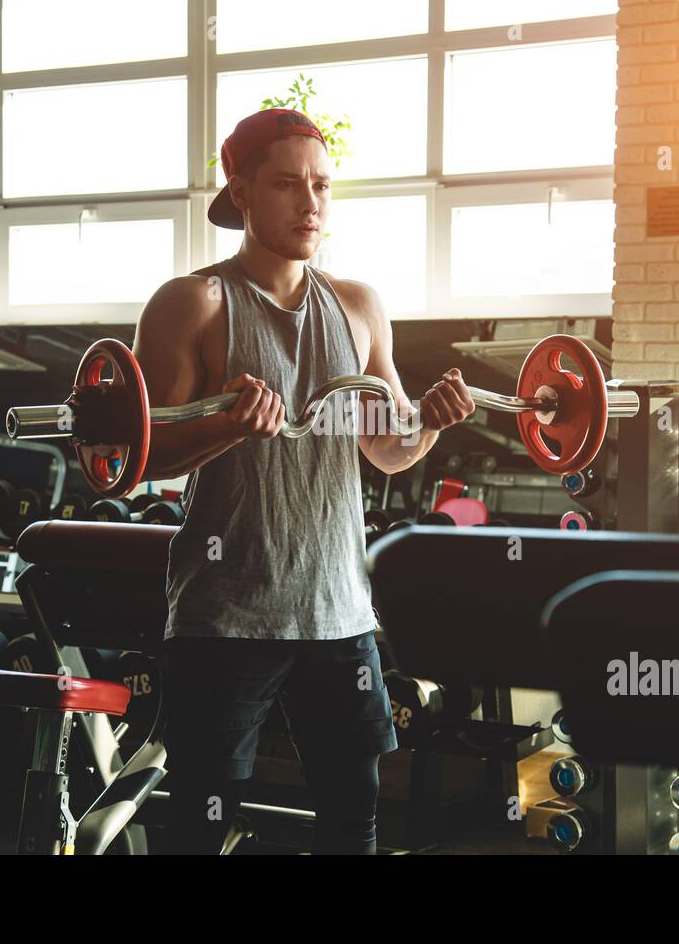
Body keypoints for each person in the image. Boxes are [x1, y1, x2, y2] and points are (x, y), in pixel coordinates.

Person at [133, 107, 475, 854]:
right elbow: (142, 458)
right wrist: (225, 425)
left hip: (338, 613)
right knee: (199, 823)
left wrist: (434, 423)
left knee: (354, 822)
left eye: (321, 184)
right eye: (287, 184)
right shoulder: (193, 304)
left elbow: (387, 449)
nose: (310, 202)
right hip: (226, 617)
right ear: (243, 191)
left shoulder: (358, 306)